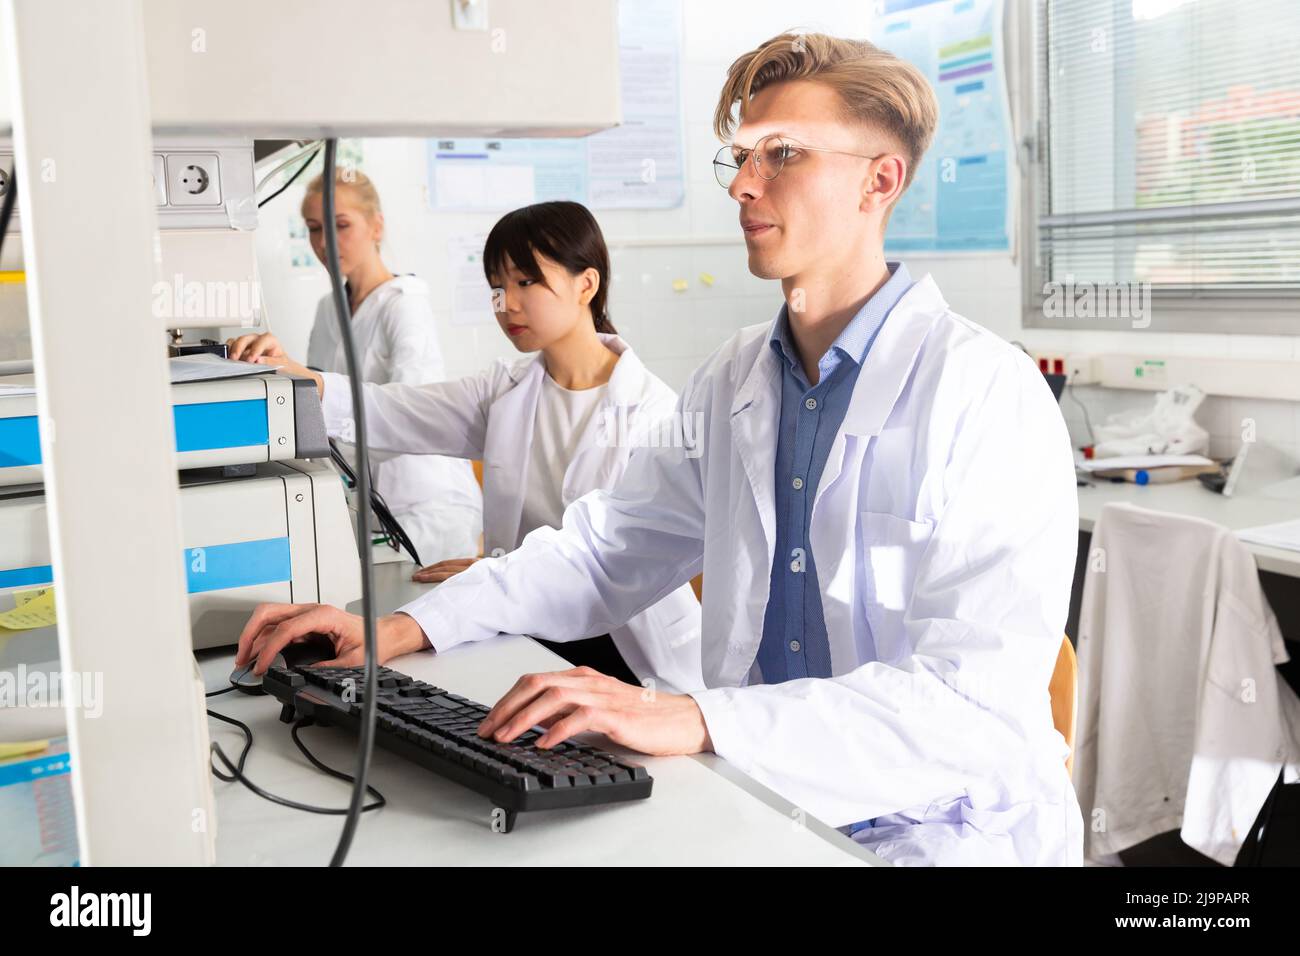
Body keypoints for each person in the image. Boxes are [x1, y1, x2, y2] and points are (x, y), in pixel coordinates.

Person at [235, 33, 1082, 865]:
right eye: (739, 158)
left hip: (941, 827)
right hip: (756, 800)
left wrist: (695, 717)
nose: (745, 184)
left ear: (880, 179)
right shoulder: (735, 379)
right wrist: (399, 627)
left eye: (781, 154)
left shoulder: (985, 393)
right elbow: (605, 551)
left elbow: (971, 700)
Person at [232, 200, 702, 691]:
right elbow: (391, 410)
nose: (507, 304)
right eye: (497, 287)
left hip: (628, 650)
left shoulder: (653, 413)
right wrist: (301, 379)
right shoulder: (505, 391)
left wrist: (499, 570)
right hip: (532, 622)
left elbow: (604, 560)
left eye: (526, 281)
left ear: (586, 284)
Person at [229, 169, 482, 566]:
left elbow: (411, 412)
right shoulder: (328, 309)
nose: (325, 242)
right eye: (314, 228)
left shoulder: (404, 302)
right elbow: (312, 405)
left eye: (341, 225)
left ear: (376, 226)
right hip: (366, 512)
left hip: (429, 511)